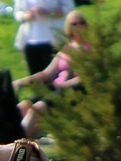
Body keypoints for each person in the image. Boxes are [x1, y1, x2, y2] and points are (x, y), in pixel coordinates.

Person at [12, 10, 89, 138]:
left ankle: (18, 142)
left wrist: (65, 85)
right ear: (69, 28)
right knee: (23, 106)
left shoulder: (90, 49)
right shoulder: (66, 49)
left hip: (72, 90)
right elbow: (47, 74)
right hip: (55, 87)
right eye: (74, 24)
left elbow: (86, 76)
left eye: (82, 23)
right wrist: (23, 81)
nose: (79, 26)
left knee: (37, 109)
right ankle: (6, 139)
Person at [13, 0, 75, 76]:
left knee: (53, 75)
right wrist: (26, 16)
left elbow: (69, 7)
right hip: (30, 38)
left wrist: (50, 13)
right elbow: (17, 12)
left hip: (52, 38)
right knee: (34, 75)